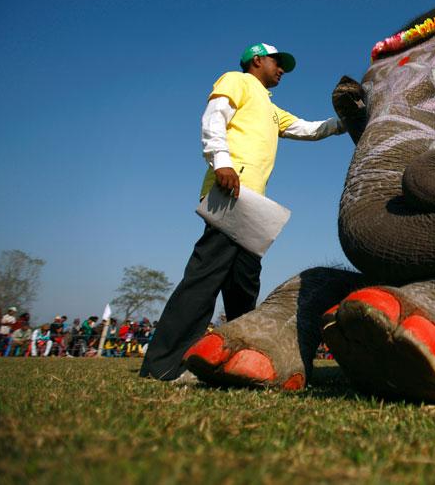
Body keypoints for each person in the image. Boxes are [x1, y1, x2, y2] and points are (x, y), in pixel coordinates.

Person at [140, 42, 345, 382]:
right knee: (205, 276)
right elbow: (214, 118)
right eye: (277, 63)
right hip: (230, 189)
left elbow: (307, 129)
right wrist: (221, 161)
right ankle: (164, 364)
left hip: (254, 206)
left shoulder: (270, 107)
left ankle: (235, 355)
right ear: (257, 60)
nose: (281, 70)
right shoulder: (236, 80)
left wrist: (344, 123)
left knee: (243, 285)